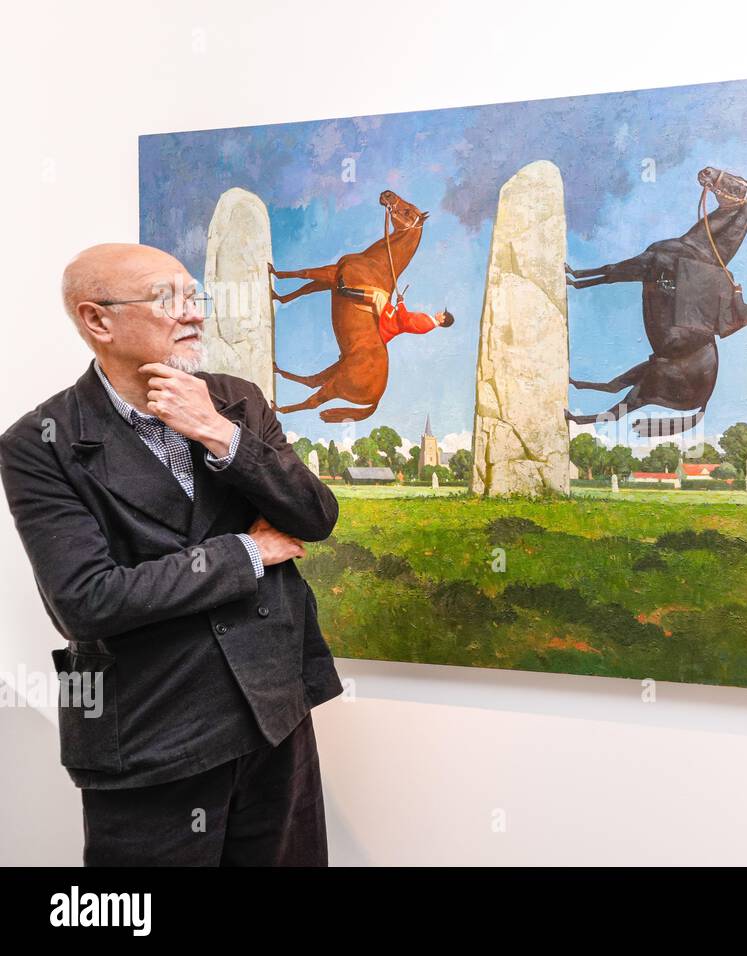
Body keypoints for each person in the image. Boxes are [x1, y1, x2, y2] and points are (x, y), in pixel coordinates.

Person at [0, 243, 345, 865]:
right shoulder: (37, 443)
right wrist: (246, 552)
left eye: (194, 297)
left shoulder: (235, 400)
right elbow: (88, 601)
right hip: (149, 729)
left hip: (273, 709)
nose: (192, 314)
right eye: (168, 300)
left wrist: (221, 434)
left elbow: (314, 518)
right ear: (97, 320)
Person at [335, 282, 453, 344]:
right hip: (394, 317)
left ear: (442, 320)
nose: (440, 312)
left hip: (391, 323)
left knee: (379, 297)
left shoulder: (428, 324)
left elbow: (405, 321)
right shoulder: (429, 321)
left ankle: (344, 291)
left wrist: (401, 303)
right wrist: (399, 305)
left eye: (442, 313)